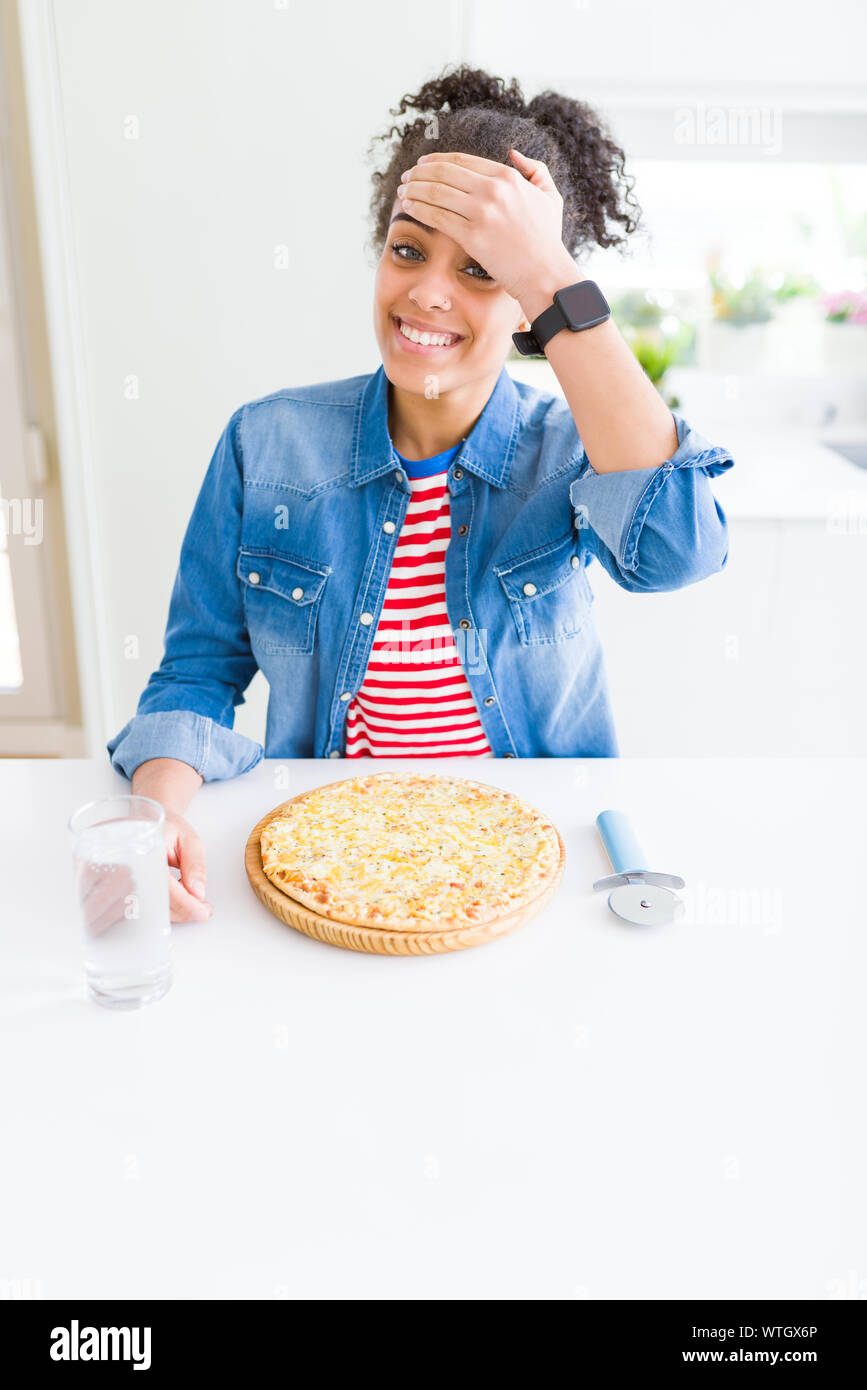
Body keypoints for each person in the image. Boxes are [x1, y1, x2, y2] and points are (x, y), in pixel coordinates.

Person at [107, 65, 734, 923]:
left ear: (528, 306)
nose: (427, 292)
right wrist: (156, 815)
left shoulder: (572, 448)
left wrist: (549, 274)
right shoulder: (269, 442)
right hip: (331, 852)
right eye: (408, 250)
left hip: (534, 858)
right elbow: (197, 670)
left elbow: (677, 553)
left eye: (482, 270)